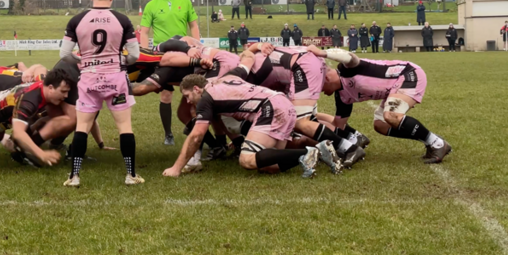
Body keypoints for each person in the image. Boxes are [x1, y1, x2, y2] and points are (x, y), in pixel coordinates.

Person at [163, 53, 340, 178]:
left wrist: (176, 168)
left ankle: (310, 152)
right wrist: (252, 48)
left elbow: (197, 135)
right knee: (268, 166)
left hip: (271, 109)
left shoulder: (205, 98)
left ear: (196, 89)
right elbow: (247, 60)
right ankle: (316, 152)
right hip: (282, 103)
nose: (187, 101)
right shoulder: (227, 77)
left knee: (247, 160)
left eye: (187, 96)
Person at [59, 0, 143, 186]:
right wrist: (118, 59)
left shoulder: (77, 20)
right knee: (124, 126)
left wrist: (84, 60)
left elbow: (64, 54)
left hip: (88, 78)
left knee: (82, 127)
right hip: (116, 77)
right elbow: (134, 55)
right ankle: (131, 175)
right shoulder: (122, 19)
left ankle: (74, 176)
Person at [314, 47, 452, 164]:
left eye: (318, 86)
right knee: (381, 125)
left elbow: (350, 57)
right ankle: (429, 139)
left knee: (391, 115)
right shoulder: (341, 95)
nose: (319, 91)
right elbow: (338, 126)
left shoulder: (346, 70)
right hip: (393, 88)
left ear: (326, 78)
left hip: (407, 74)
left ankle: (437, 143)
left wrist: (324, 53)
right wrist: (314, 120)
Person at [139, 0, 200, 146]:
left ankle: (192, 125)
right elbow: (144, 32)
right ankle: (168, 134)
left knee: (192, 92)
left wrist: (197, 45)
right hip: (163, 55)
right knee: (165, 96)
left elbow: (193, 25)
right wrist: (145, 56)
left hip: (185, 53)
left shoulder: (185, 1)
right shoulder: (152, 5)